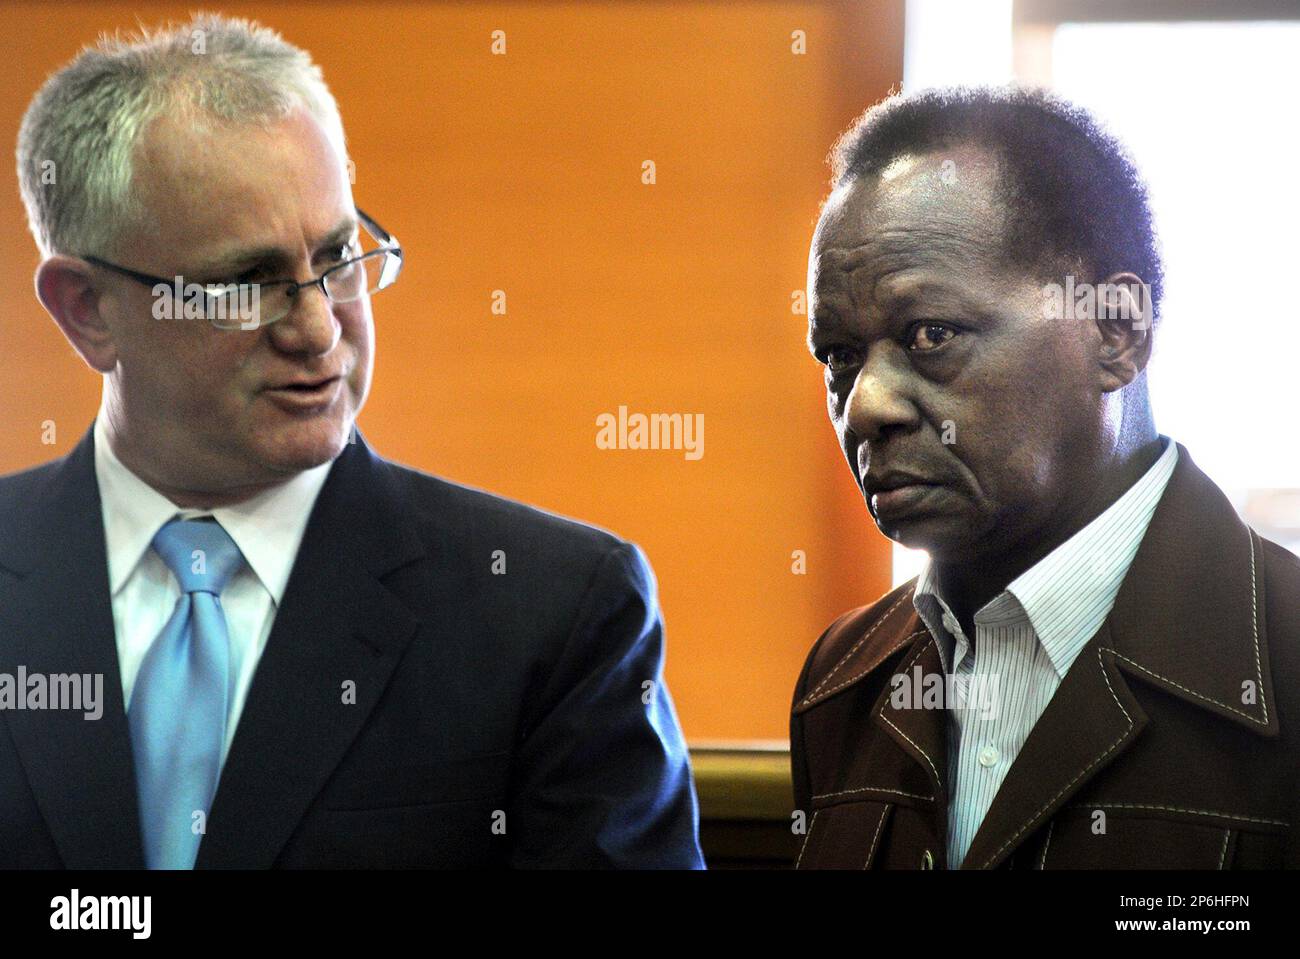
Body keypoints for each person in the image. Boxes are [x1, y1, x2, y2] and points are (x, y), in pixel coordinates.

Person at [1, 12, 702, 869]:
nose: (319, 329)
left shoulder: (554, 614)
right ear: (87, 310)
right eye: (247, 282)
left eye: (338, 256)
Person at [791, 86, 1300, 869]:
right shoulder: (843, 679)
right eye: (840, 356)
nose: (866, 406)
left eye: (931, 334)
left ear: (1117, 330)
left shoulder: (1282, 659)